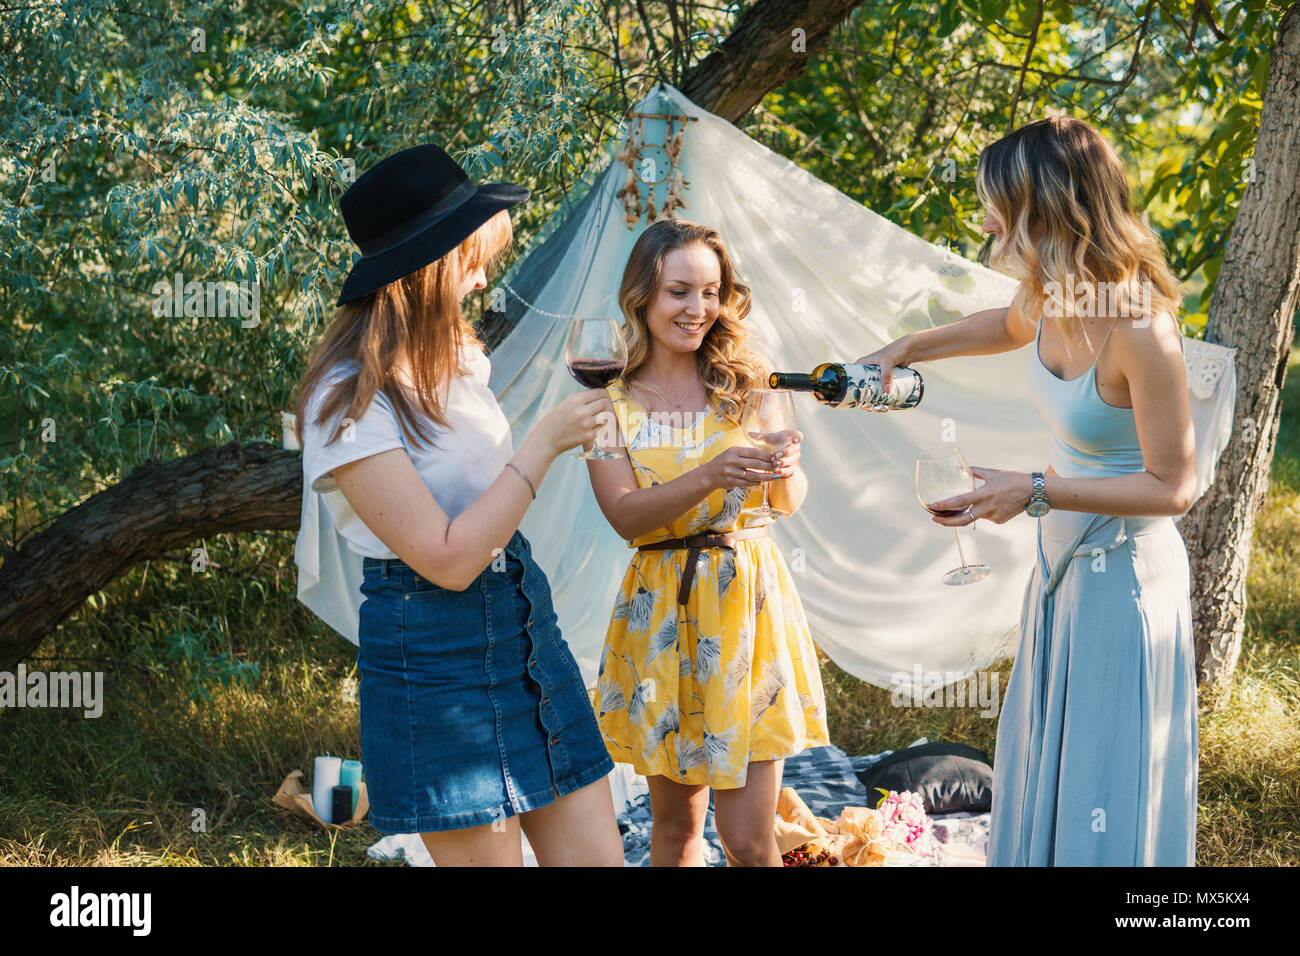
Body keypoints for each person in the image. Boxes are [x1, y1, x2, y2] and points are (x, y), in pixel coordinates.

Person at [857, 116, 1198, 866]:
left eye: (997, 205)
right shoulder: (1050, 296)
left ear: (1047, 209)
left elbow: (1177, 486)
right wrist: (910, 347)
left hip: (1124, 581)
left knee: (1103, 775)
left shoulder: (1140, 325)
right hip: (1060, 570)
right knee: (1052, 759)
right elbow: (1005, 326)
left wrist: (1035, 489)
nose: (986, 223)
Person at [295, 144, 623, 866]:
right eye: (471, 260)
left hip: (523, 622)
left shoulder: (457, 359)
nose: (481, 280)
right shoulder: (345, 401)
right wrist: (542, 446)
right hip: (431, 650)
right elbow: (445, 558)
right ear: (424, 269)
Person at [585, 218, 830, 867]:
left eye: (711, 291)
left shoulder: (748, 383)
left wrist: (786, 469)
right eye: (678, 292)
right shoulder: (606, 402)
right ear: (642, 296)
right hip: (664, 614)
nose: (698, 309)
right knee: (676, 833)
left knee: (749, 840)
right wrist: (708, 474)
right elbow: (624, 517)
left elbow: (786, 504)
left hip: (748, 605)